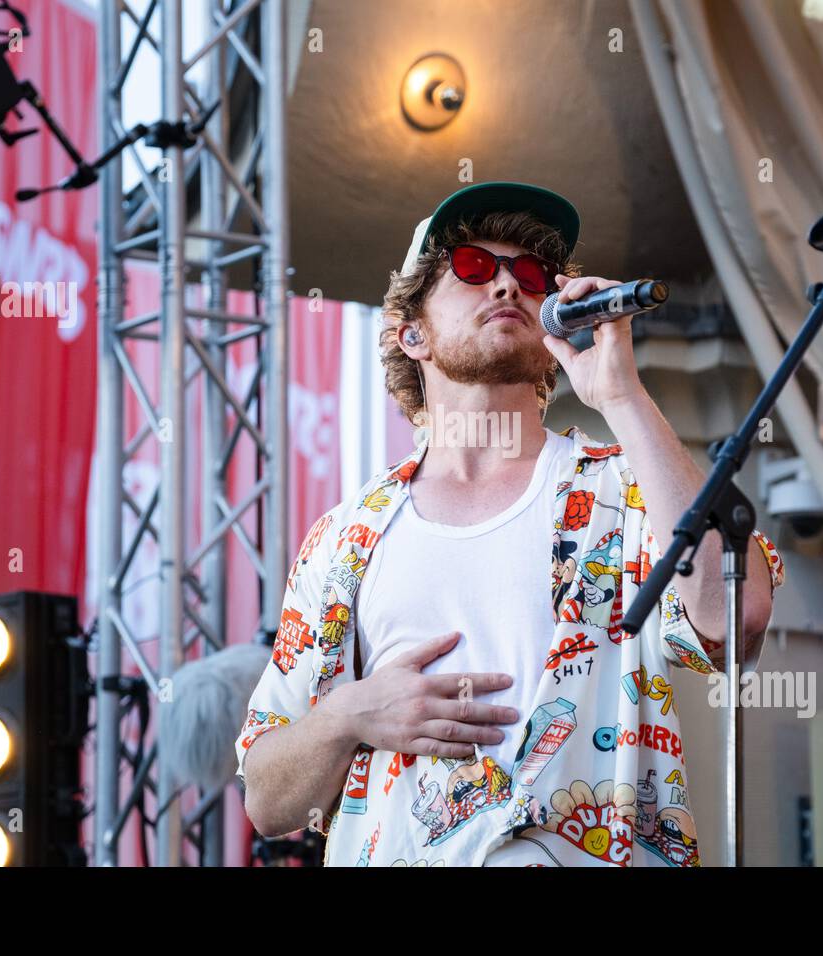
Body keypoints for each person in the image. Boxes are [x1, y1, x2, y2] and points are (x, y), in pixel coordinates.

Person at [237, 181, 785, 866]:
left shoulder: (624, 488)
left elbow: (736, 614)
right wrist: (351, 714)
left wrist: (622, 395)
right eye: (471, 267)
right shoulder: (345, 538)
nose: (507, 285)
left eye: (531, 275)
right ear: (413, 334)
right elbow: (268, 800)